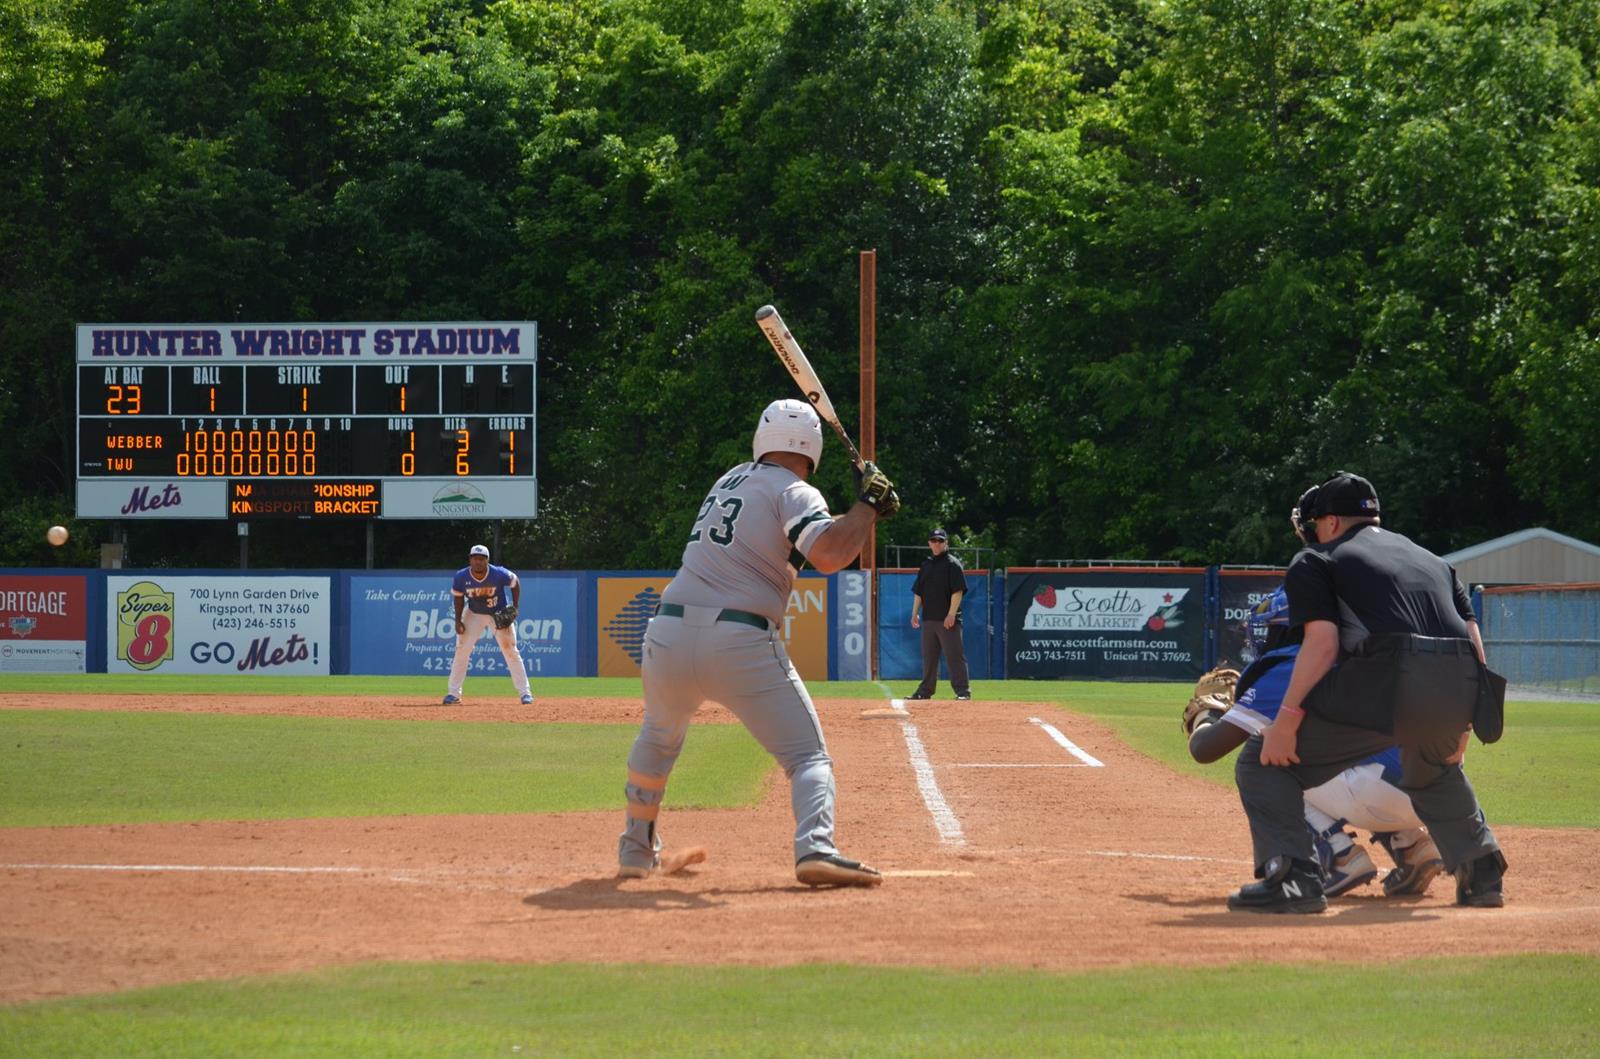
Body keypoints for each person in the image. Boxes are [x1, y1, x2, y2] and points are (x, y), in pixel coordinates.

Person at [618, 398, 900, 886]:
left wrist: (865, 513)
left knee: (658, 739)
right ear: (812, 448)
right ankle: (816, 847)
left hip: (666, 631)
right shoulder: (797, 491)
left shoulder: (728, 479)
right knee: (807, 757)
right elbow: (830, 554)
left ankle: (635, 850)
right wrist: (867, 506)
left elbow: (817, 539)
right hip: (738, 636)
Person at [1228, 472, 1507, 913]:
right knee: (1431, 767)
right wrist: (1466, 720)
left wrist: (1286, 719)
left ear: (1333, 522)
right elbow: (1473, 643)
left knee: (1262, 761)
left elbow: (1322, 645)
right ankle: (1482, 874)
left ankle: (1294, 881)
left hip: (1387, 677)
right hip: (1456, 683)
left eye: (1319, 524)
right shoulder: (1435, 561)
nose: (1316, 533)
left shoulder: (1317, 558)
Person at [1184, 586, 1444, 898]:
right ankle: (1412, 846)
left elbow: (1205, 749)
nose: (1265, 638)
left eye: (1272, 629)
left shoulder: (1291, 666)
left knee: (1271, 761)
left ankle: (1339, 856)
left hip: (1381, 792)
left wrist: (1208, 713)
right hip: (1440, 791)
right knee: (1347, 751)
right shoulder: (1371, 656)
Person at [442, 544, 533, 705]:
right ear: (470, 559)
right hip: (474, 614)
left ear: (487, 561)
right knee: (462, 649)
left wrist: (516, 606)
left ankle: (525, 693)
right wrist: (457, 621)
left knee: (510, 650)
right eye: (475, 558)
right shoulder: (461, 576)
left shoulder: (498, 573)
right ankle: (454, 694)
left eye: (481, 559)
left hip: (497, 613)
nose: (478, 562)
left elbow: (515, 582)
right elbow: (458, 599)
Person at [908, 528, 971, 701]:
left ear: (946, 543)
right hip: (929, 619)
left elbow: (957, 591)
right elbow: (918, 592)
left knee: (954, 657)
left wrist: (951, 614)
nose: (937, 543)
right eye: (934, 540)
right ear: (929, 543)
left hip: (947, 620)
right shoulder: (926, 565)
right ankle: (925, 691)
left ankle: (963, 692)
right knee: (929, 658)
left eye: (940, 540)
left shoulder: (953, 564)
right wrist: (914, 613)